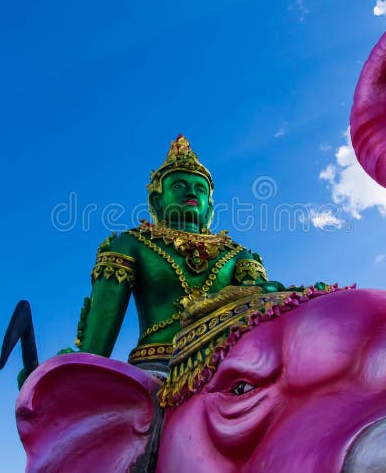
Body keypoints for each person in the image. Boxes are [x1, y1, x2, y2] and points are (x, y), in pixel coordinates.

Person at [66, 135, 276, 376]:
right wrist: (76, 372)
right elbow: (95, 347)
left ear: (209, 206)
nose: (191, 193)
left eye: (200, 188)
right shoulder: (132, 244)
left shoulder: (238, 255)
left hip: (229, 368)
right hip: (156, 367)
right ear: (157, 199)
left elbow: (267, 303)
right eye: (179, 185)